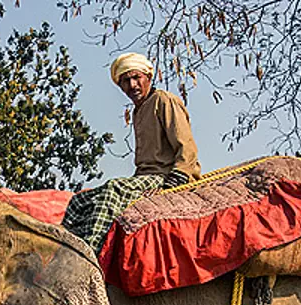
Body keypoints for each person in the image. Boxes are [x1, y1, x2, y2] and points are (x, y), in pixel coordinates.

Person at [62, 52, 203, 251]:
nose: (132, 85)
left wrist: (172, 183)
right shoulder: (138, 111)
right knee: (80, 200)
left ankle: (89, 253)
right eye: (126, 81)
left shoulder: (163, 100)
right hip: (145, 177)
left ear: (148, 77)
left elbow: (187, 148)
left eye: (136, 78)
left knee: (112, 189)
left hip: (166, 176)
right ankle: (67, 248)